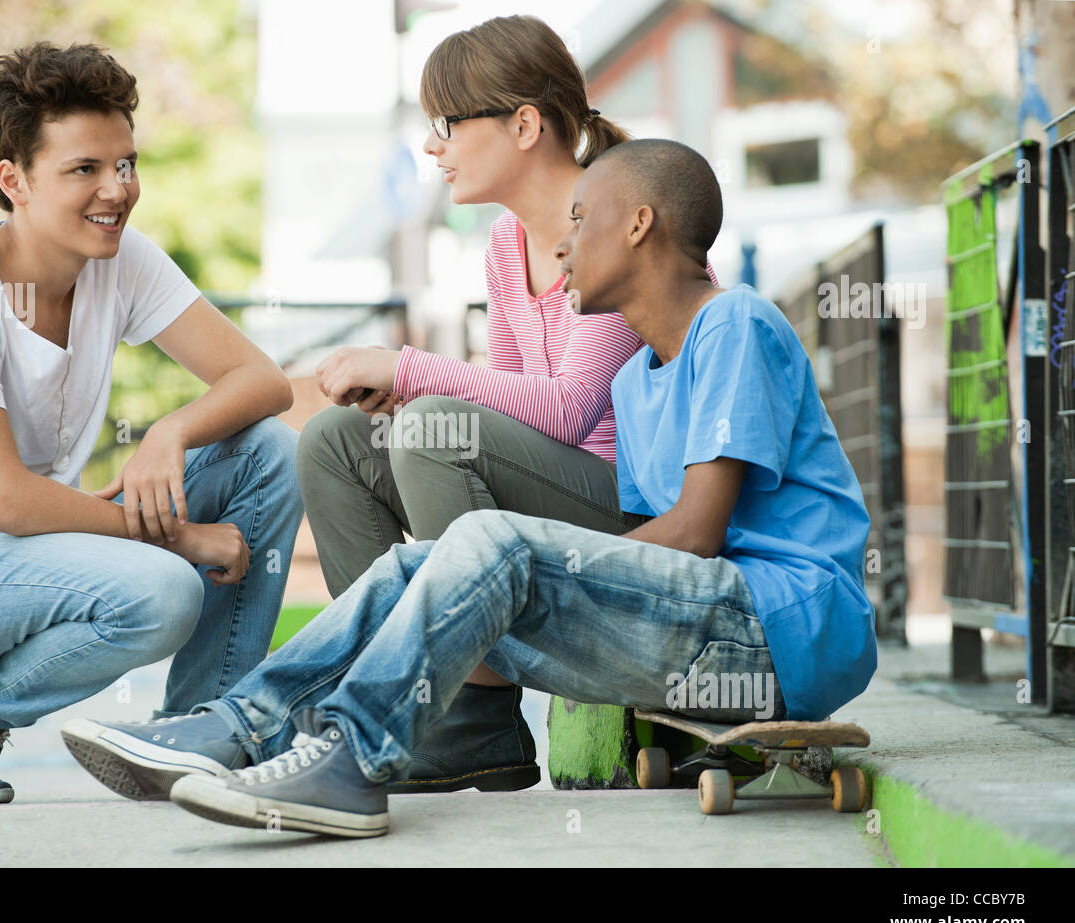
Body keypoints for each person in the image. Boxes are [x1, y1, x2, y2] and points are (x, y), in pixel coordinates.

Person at [61, 138, 877, 838]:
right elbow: (649, 549)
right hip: (705, 624)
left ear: (641, 224)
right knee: (423, 567)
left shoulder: (733, 324)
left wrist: (532, 566)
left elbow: (696, 532)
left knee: (489, 548)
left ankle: (352, 761)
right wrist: (498, 581)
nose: (563, 245)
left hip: (782, 628)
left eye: (582, 221)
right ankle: (234, 727)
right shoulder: (639, 381)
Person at [0, 42, 303, 807]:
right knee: (162, 591)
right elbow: (3, 502)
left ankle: (200, 730)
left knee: (267, 455)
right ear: (13, 181)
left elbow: (264, 381)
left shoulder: (121, 260)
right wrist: (175, 536)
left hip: (18, 550)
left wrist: (171, 432)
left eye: (125, 164)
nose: (117, 190)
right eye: (84, 169)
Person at [295, 14, 717, 794]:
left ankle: (475, 708)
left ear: (524, 124)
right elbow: (513, 410)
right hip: (555, 497)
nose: (433, 146)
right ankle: (445, 709)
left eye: (447, 124)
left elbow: (570, 411)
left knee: (431, 427)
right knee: (334, 443)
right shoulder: (503, 244)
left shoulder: (619, 226)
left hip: (630, 520)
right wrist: (409, 386)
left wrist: (414, 369)